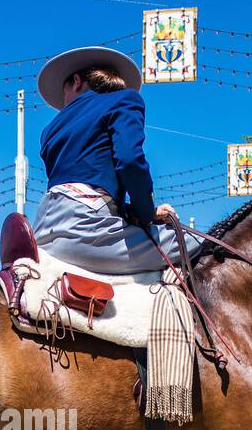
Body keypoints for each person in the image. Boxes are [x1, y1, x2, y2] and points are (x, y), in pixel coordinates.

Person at [31, 46, 200, 274]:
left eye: (64, 93)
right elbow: (130, 161)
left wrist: (130, 211)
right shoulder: (124, 99)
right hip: (87, 229)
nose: (64, 101)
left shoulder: (50, 129)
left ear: (78, 81)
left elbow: (80, 184)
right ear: (77, 80)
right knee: (198, 245)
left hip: (42, 231)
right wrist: (147, 213)